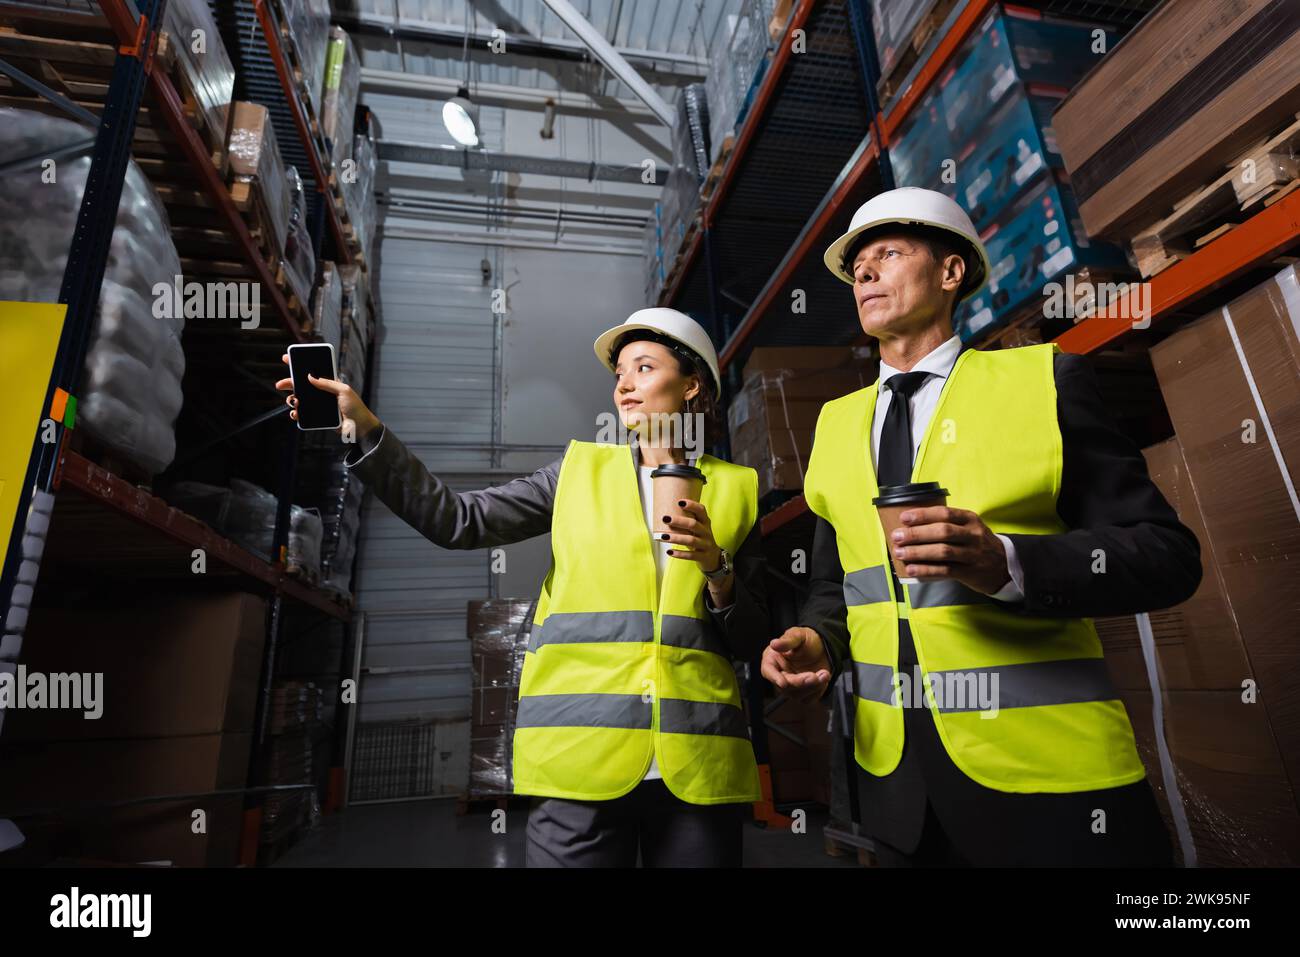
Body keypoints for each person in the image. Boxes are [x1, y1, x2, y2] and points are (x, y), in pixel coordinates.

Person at [760, 187, 1201, 867]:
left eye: (888, 254)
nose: (865, 272)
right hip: (897, 786)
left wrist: (1007, 564)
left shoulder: (1044, 381)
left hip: (1050, 775)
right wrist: (818, 639)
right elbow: (836, 583)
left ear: (951, 271)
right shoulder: (834, 424)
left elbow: (1167, 555)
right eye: (857, 267)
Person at [277, 307, 768, 867]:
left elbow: (753, 636)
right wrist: (364, 428)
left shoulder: (737, 490)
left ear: (692, 383)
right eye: (619, 374)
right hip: (580, 759)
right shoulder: (577, 473)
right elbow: (457, 520)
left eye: (644, 367)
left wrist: (717, 568)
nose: (624, 386)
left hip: (699, 767)